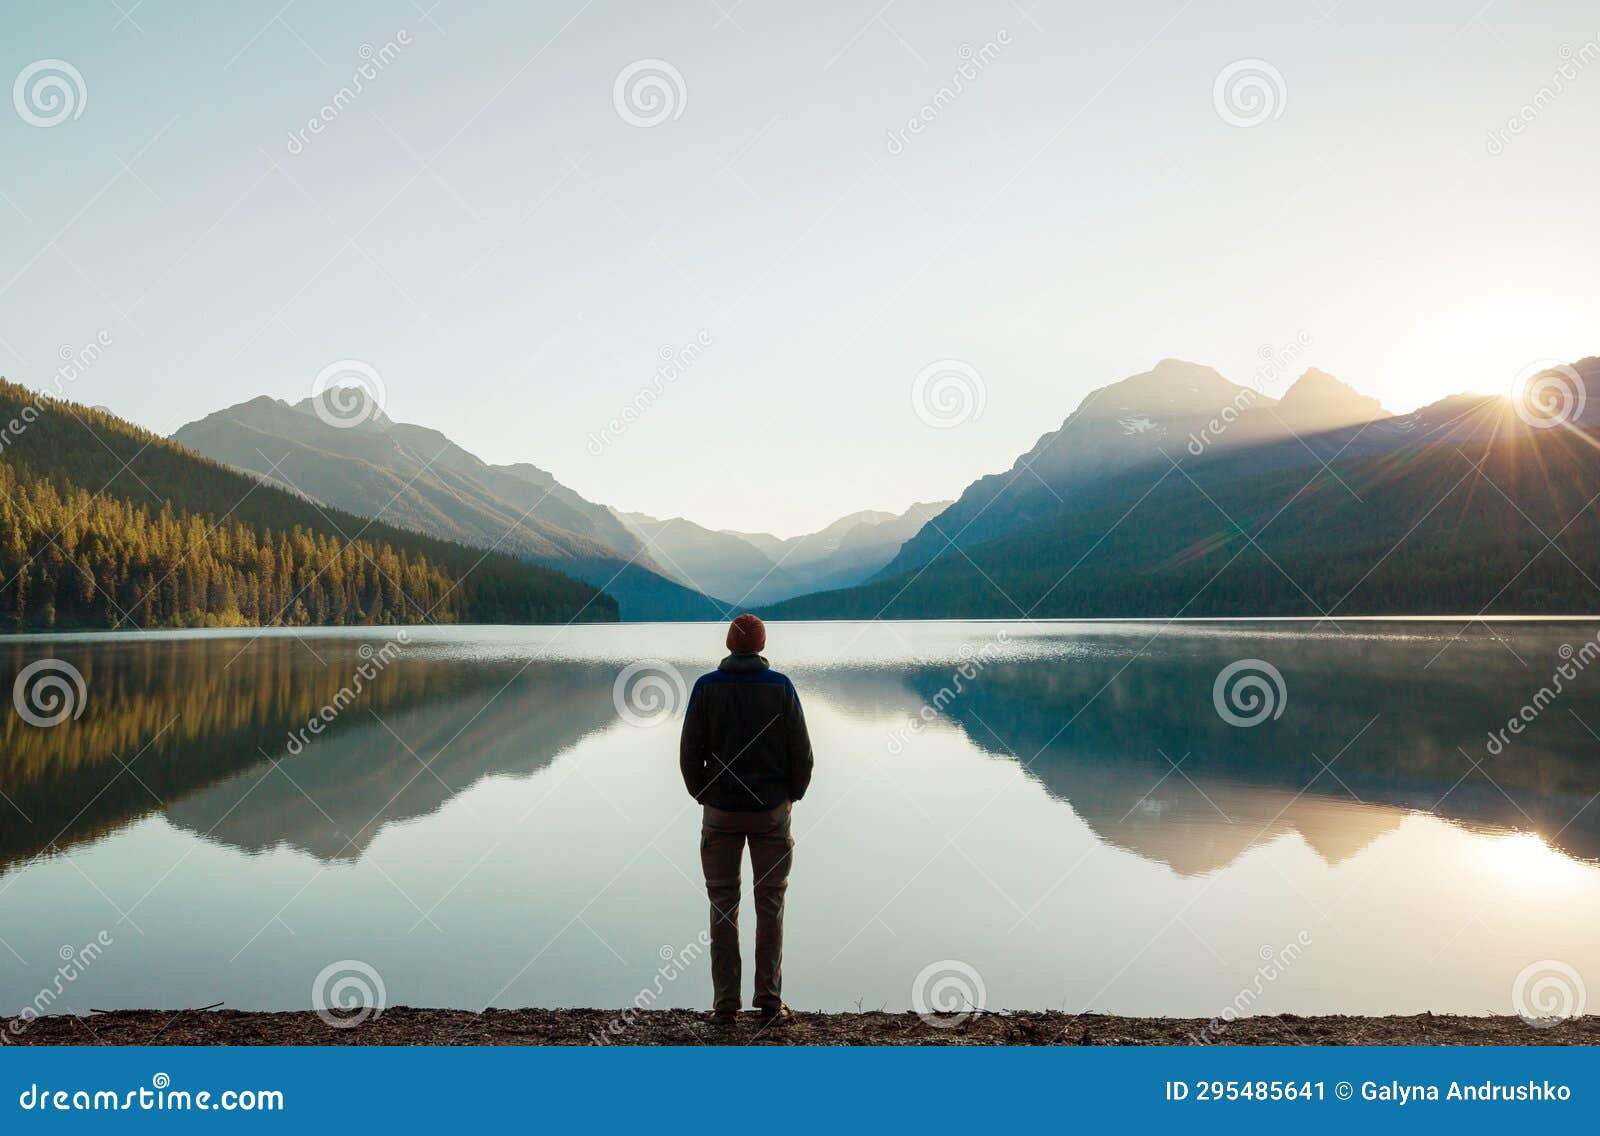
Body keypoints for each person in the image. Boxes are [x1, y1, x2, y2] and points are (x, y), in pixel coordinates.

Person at [679, 613, 813, 1026]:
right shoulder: (780, 688)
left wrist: (704, 794)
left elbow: (688, 755)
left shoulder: (705, 688)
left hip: (720, 814)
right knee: (770, 904)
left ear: (728, 646)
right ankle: (770, 1002)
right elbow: (802, 755)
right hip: (771, 813)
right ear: (761, 646)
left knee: (723, 907)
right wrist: (790, 796)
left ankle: (725, 1006)